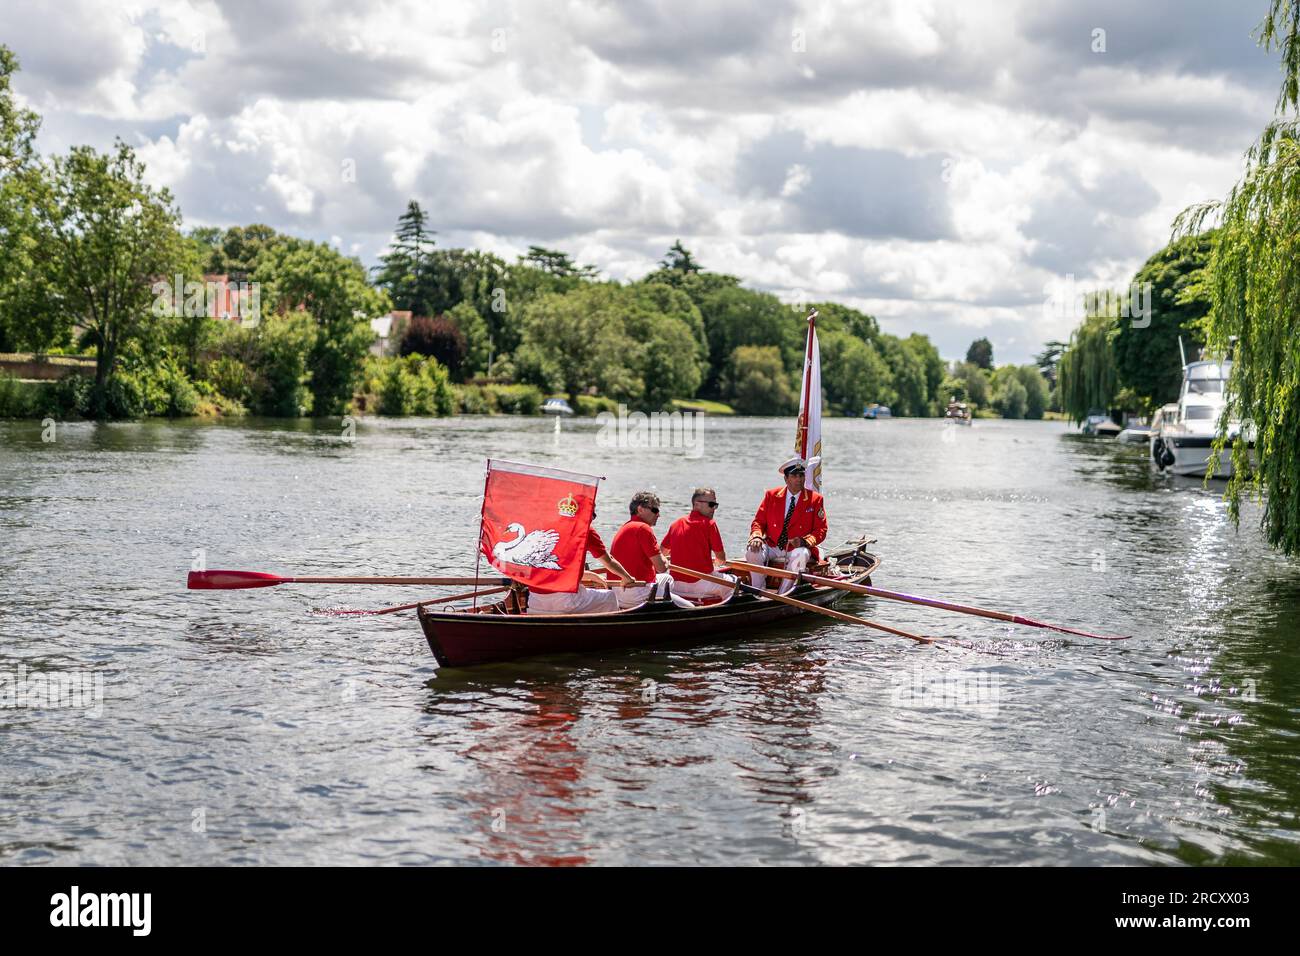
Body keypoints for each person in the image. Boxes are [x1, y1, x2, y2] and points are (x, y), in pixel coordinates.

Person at [745, 457, 828, 594]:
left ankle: (783, 594)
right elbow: (759, 522)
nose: (799, 479)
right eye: (794, 475)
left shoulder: (815, 499)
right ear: (786, 479)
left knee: (800, 554)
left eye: (801, 475)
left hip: (798, 547)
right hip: (773, 545)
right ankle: (758, 591)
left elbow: (821, 529)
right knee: (752, 551)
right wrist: (757, 537)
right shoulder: (771, 495)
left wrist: (804, 541)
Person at [526, 522, 635, 614]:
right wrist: (626, 577)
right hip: (565, 602)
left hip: (534, 601)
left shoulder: (540, 527)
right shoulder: (585, 529)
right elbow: (608, 562)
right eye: (593, 514)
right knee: (609, 597)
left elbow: (553, 569)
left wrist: (591, 575)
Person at [608, 491, 691, 609]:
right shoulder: (643, 528)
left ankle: (662, 601)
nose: (658, 515)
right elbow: (661, 567)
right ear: (640, 509)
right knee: (691, 608)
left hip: (618, 592)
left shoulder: (626, 526)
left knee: (668, 579)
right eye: (655, 510)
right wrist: (664, 561)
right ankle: (664, 605)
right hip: (636, 591)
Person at [660, 487, 736, 602]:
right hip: (701, 584)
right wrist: (715, 562)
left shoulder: (676, 523)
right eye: (711, 504)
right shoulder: (710, 524)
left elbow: (662, 553)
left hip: (675, 586)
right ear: (696, 504)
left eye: (715, 505)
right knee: (734, 582)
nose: (714, 508)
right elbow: (721, 559)